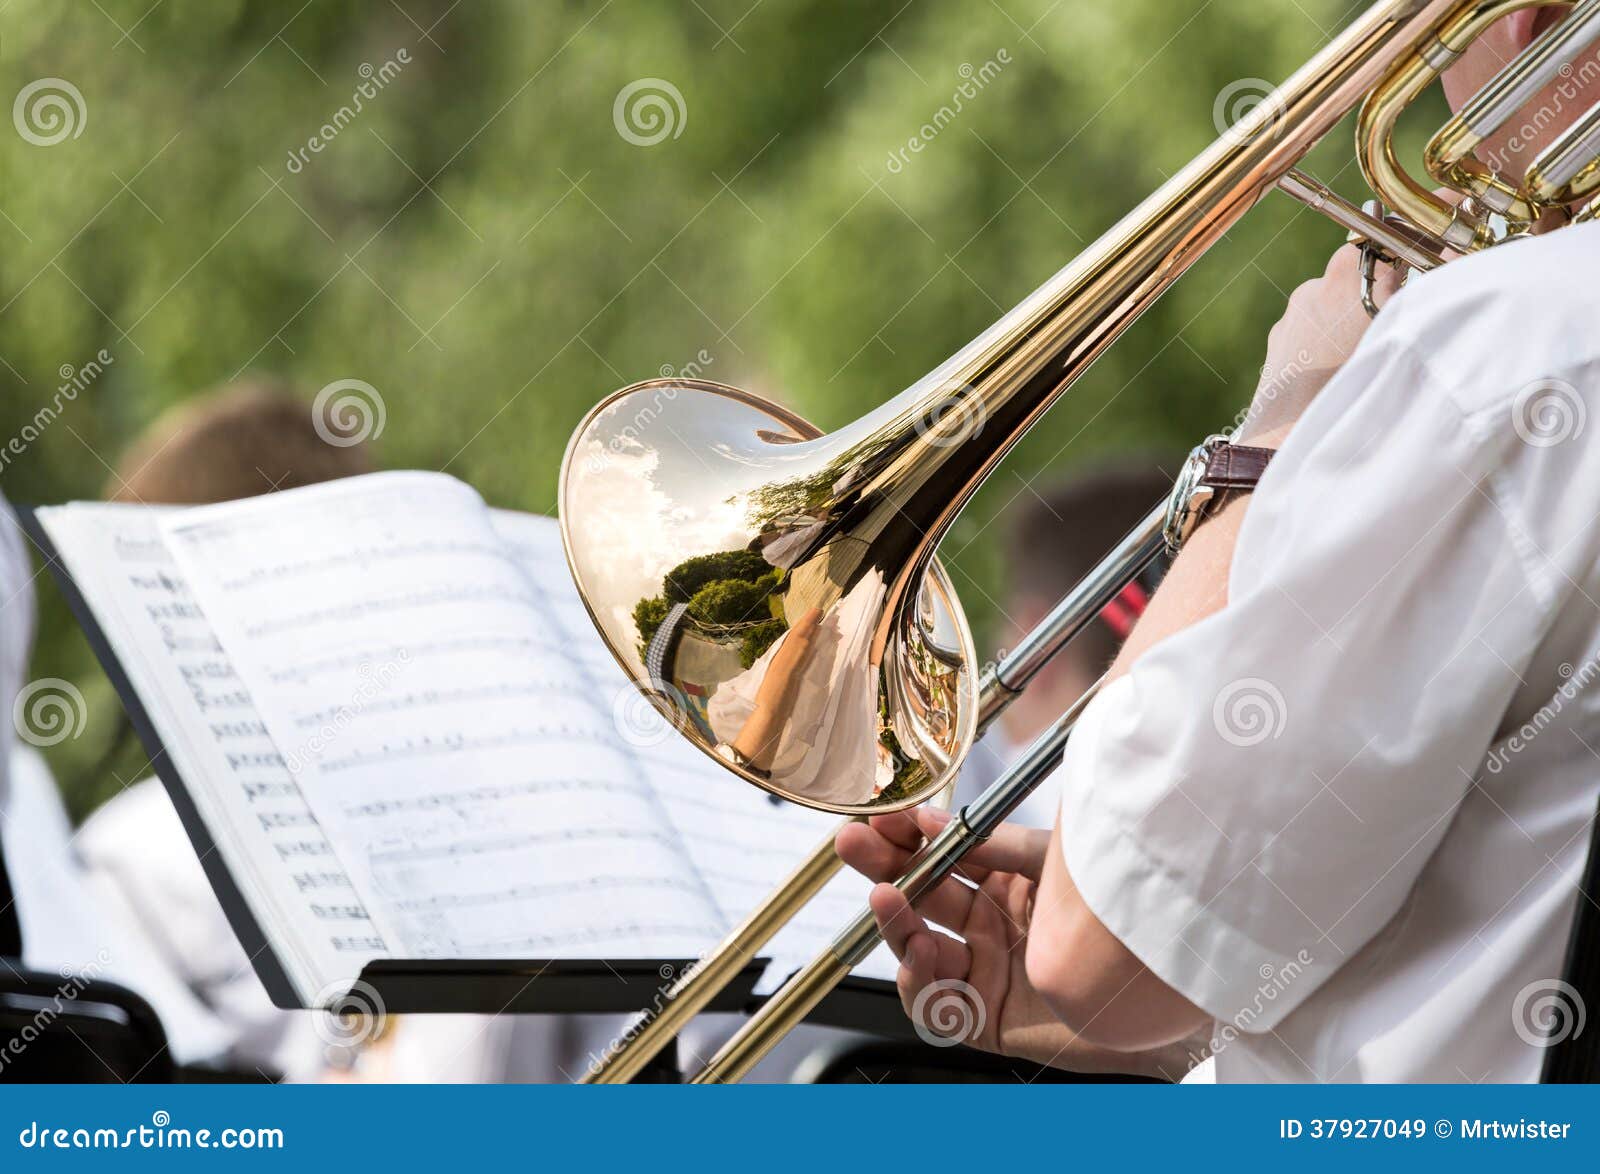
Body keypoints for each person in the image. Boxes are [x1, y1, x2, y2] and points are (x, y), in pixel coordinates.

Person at [840, 5, 1600, 1083]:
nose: (1436, 86)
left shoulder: (1517, 343)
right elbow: (1504, 949)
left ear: (1527, 22)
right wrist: (1190, 974)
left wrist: (1277, 428)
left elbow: (1085, 957)